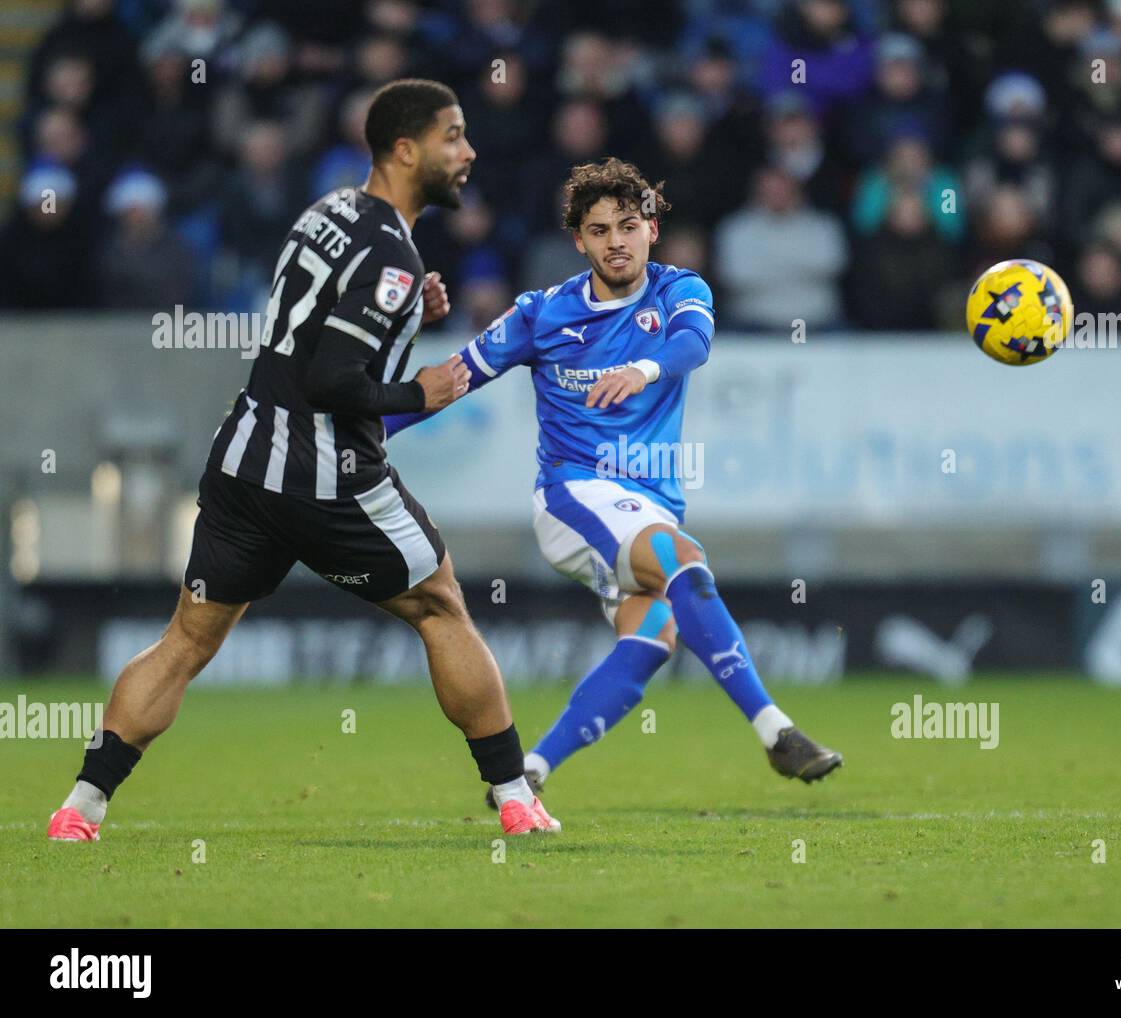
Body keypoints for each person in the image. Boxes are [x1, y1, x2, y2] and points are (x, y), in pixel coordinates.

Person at [47, 79, 559, 842]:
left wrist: (402, 314)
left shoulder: (330, 211)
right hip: (326, 475)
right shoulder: (390, 252)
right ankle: (516, 797)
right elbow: (331, 381)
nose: (469, 152)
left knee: (186, 639)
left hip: (244, 459)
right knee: (440, 605)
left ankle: (80, 808)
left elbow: (317, 325)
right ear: (405, 148)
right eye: (454, 136)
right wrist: (419, 392)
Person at [385, 157, 843, 806]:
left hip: (644, 504)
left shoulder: (681, 290)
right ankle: (777, 731)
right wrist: (367, 436)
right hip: (572, 498)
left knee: (652, 639)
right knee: (684, 561)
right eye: (599, 231)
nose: (617, 241)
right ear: (580, 241)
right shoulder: (541, 315)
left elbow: (694, 346)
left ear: (652, 228)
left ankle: (531, 773)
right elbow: (455, 377)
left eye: (629, 225)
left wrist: (645, 371)